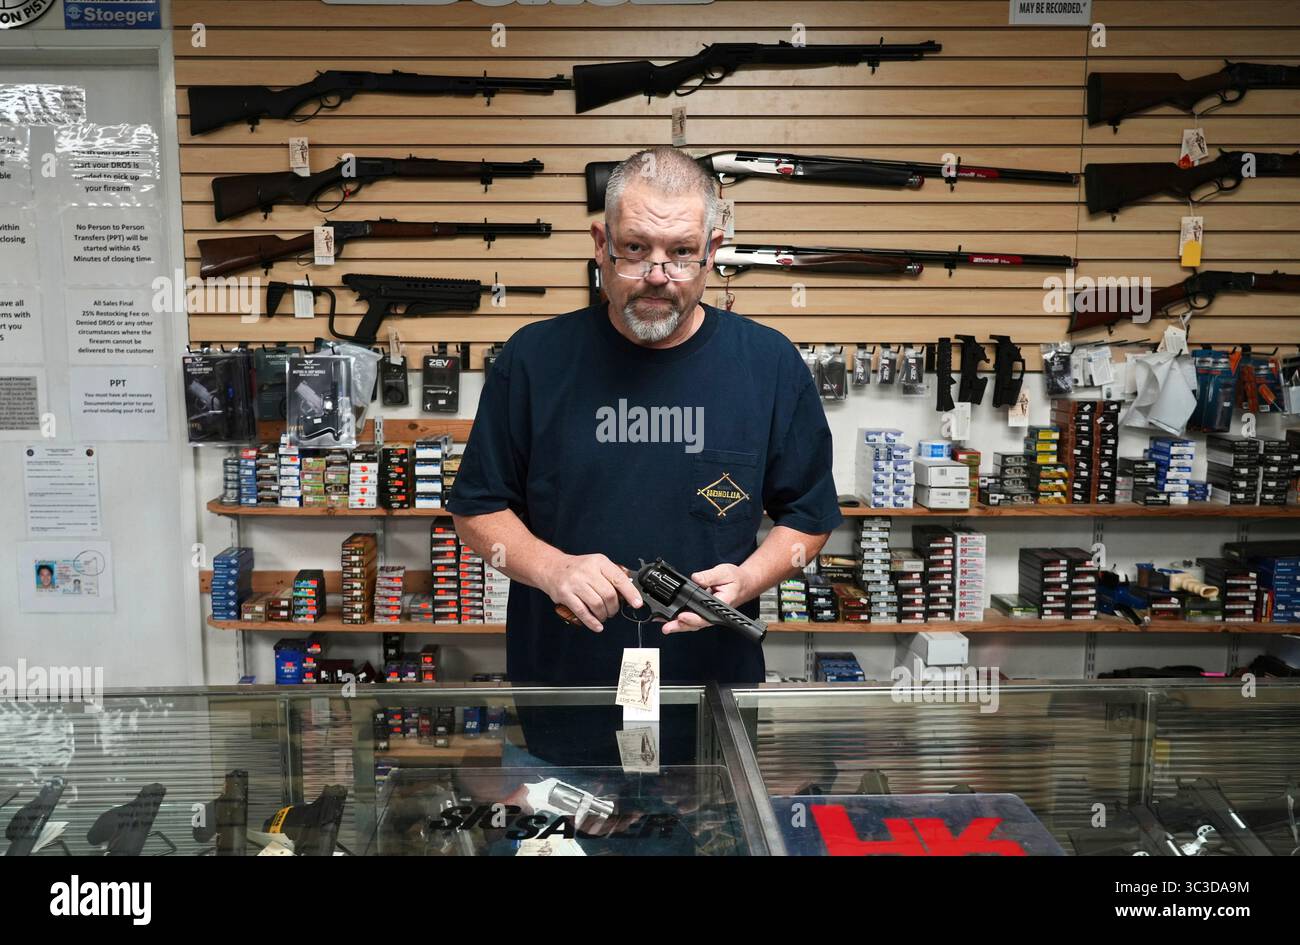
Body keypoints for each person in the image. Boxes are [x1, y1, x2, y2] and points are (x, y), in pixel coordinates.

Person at [449, 146, 841, 684]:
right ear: (600, 244)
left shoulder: (769, 364)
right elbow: (475, 510)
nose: (658, 275)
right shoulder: (532, 359)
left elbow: (810, 518)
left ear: (713, 251)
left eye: (681, 252)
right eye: (635, 249)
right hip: (565, 682)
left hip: (712, 684)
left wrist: (747, 581)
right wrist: (553, 569)